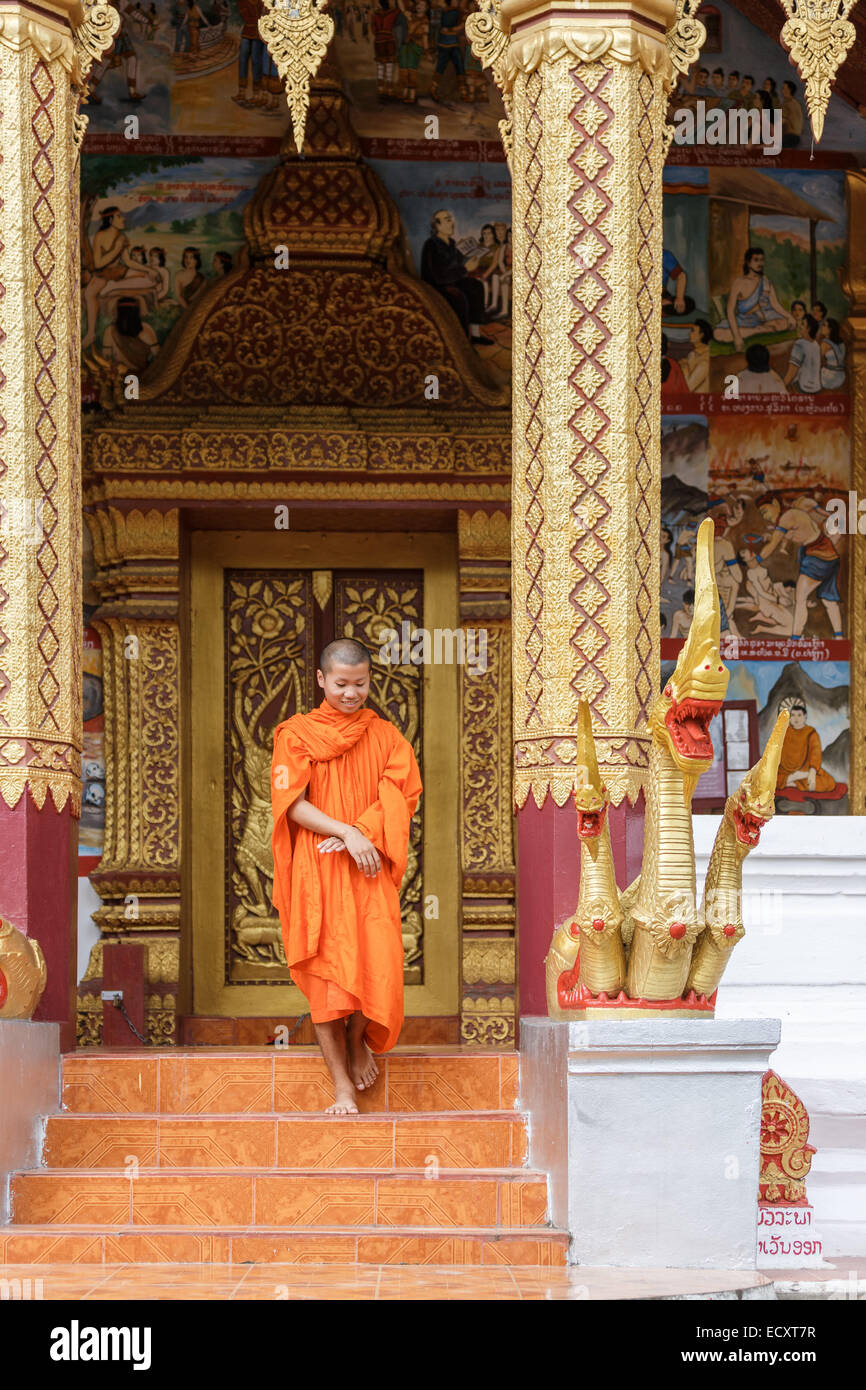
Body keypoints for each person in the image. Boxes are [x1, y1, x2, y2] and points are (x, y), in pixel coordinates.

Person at [270, 639, 423, 1115]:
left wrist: (362, 834)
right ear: (321, 680)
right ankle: (340, 1086)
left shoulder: (386, 737)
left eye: (360, 684)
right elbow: (290, 803)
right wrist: (344, 832)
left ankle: (360, 1038)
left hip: (367, 866)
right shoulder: (295, 734)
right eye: (341, 684)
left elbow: (403, 795)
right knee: (326, 976)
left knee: (373, 963)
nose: (351, 693)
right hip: (317, 866)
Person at [758, 495, 843, 638]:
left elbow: (772, 546)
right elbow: (791, 535)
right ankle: (839, 637)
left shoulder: (788, 516)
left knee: (801, 597)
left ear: (775, 503)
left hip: (818, 556)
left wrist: (757, 559)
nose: (765, 517)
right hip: (829, 555)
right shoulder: (792, 516)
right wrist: (772, 537)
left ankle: (796, 638)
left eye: (765, 511)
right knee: (829, 601)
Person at [421, 209, 494, 345]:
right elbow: (439, 276)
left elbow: (459, 263)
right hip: (437, 286)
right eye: (448, 220)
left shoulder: (452, 243)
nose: (452, 223)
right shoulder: (431, 245)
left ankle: (475, 335)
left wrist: (471, 257)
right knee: (458, 296)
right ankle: (462, 340)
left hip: (453, 280)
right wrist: (466, 268)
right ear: (437, 226)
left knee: (475, 286)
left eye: (451, 219)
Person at [714, 247, 793, 351]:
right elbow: (730, 310)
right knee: (718, 333)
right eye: (756, 260)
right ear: (748, 263)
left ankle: (761, 329)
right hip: (745, 320)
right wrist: (737, 337)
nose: (760, 263)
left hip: (765, 318)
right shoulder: (739, 282)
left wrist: (789, 316)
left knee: (784, 323)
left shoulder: (766, 282)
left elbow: (775, 304)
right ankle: (757, 331)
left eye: (762, 260)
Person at [775, 697, 837, 794]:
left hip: (805, 770)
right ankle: (793, 779)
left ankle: (792, 782)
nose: (796, 718)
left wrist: (812, 772)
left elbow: (815, 753)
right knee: (768, 780)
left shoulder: (811, 732)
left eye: (799, 715)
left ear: (805, 717)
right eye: (793, 715)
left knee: (829, 783)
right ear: (789, 718)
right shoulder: (784, 733)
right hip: (786, 771)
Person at [101, 296, 158, 372]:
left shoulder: (109, 331)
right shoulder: (147, 330)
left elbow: (106, 360)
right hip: (131, 377)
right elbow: (158, 358)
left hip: (126, 378)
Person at [784, 314, 822, 393]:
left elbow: (791, 372)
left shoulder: (800, 344)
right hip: (816, 388)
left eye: (803, 324)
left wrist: (780, 388)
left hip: (804, 388)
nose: (800, 326)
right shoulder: (816, 345)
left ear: (809, 329)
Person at [681, 318, 712, 392]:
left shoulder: (705, 360)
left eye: (693, 331)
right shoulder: (692, 354)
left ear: (701, 335)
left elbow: (688, 387)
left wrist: (683, 367)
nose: (689, 334)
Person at [819, 317, 846, 390]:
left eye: (824, 325)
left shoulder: (825, 343)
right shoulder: (841, 342)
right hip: (841, 376)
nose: (822, 327)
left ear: (830, 329)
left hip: (829, 378)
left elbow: (817, 360)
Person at [781, 80, 804, 147]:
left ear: (788, 90)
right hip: (796, 137)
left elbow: (780, 122)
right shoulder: (796, 103)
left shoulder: (787, 104)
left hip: (788, 137)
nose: (781, 90)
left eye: (783, 88)